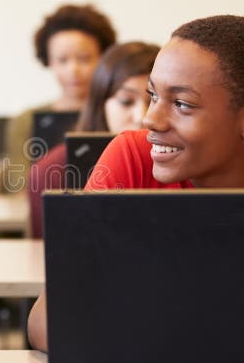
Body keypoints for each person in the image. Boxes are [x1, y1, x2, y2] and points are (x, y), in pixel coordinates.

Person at [27, 15, 244, 362]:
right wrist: (217, 345)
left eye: (182, 104)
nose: (150, 119)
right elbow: (46, 321)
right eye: (153, 96)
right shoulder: (130, 156)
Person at [27, 41, 159, 237]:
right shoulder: (52, 171)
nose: (142, 116)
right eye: (126, 101)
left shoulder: (188, 163)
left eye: (154, 100)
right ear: (100, 103)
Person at [0, 4, 116, 192]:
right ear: (48, 61)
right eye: (62, 60)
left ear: (103, 58)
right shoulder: (25, 121)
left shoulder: (120, 113)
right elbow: (19, 187)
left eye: (85, 58)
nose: (73, 70)